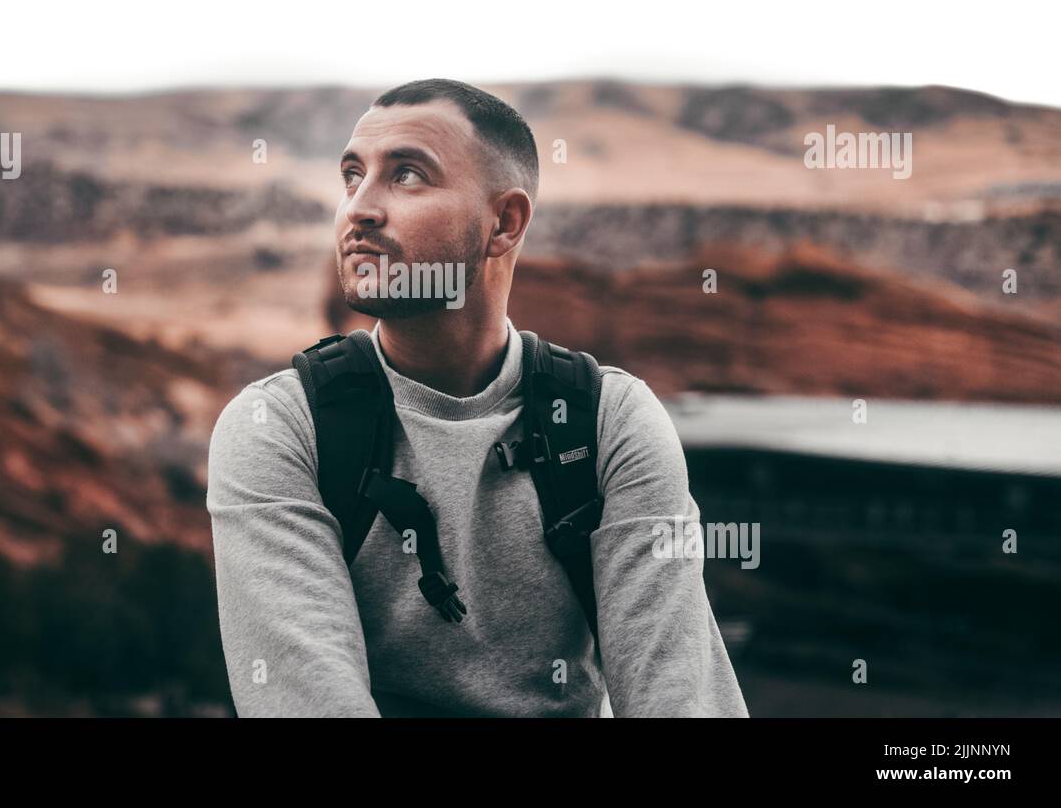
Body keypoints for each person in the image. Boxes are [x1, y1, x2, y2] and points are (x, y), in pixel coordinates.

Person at [207, 78, 749, 717]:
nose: (359, 208)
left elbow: (677, 695)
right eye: (352, 176)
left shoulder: (609, 423)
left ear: (505, 223)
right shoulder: (279, 427)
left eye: (407, 176)